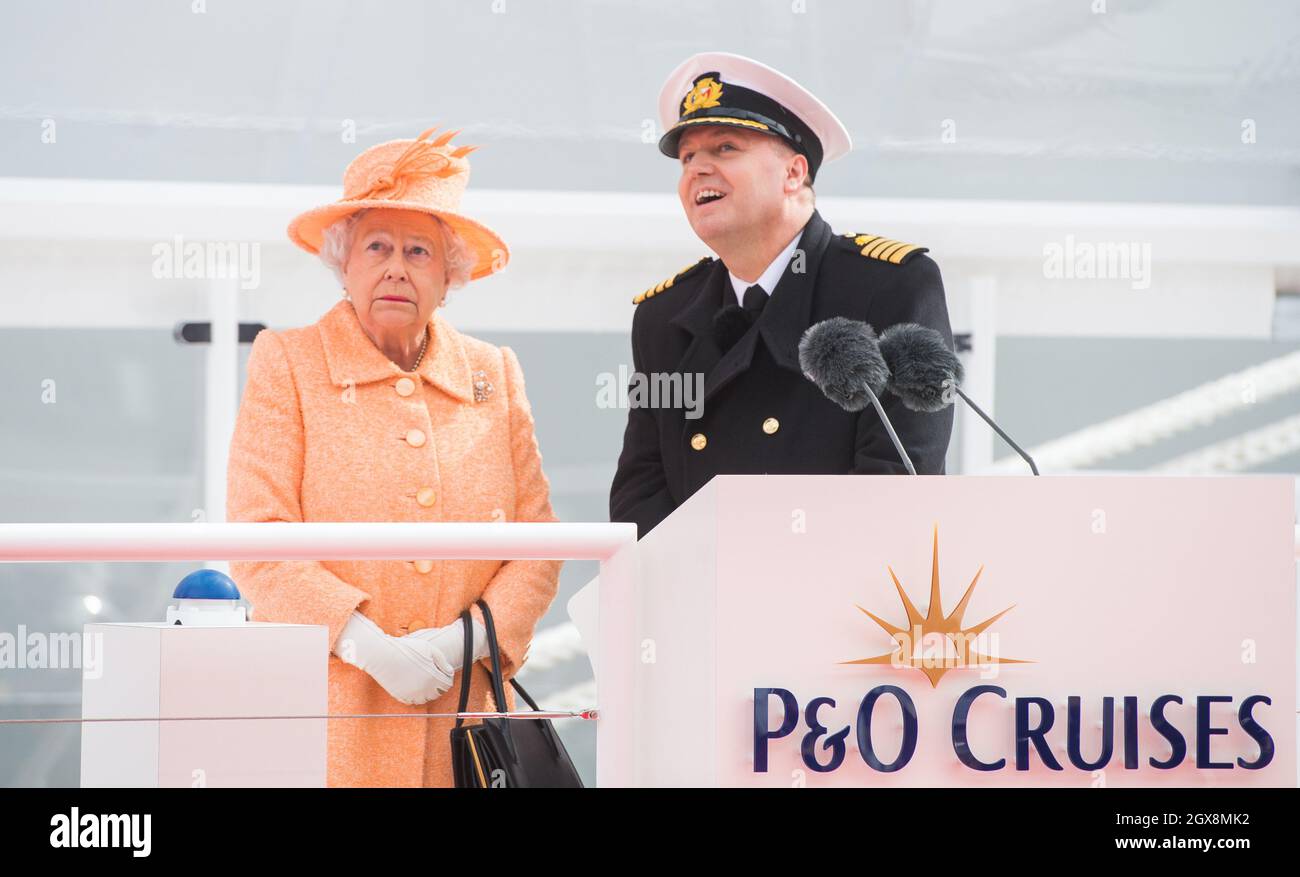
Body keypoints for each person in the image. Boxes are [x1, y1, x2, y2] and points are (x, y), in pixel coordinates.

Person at [226, 126, 561, 787]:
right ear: (344, 264)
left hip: (466, 727)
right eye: (377, 246)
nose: (396, 267)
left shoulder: (494, 371)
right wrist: (366, 644)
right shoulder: (287, 363)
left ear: (450, 276)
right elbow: (259, 537)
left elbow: (539, 545)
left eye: (419, 251)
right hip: (331, 718)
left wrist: (460, 641)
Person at [610, 53, 956, 538]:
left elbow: (899, 480)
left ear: (794, 174)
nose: (697, 170)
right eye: (687, 157)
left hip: (836, 598)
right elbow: (639, 492)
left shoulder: (888, 287)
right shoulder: (662, 317)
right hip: (702, 602)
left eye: (725, 148)